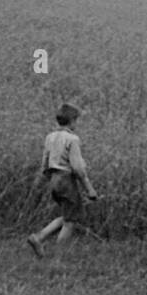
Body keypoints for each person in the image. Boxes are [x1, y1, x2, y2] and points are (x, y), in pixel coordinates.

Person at [27, 103, 98, 258]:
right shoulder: (72, 139)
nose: (77, 124)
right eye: (77, 120)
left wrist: (41, 182)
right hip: (66, 180)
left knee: (67, 216)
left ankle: (39, 237)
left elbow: (44, 164)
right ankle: (58, 256)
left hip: (54, 180)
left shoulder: (50, 137)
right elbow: (78, 168)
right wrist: (89, 189)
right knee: (71, 221)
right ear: (72, 120)